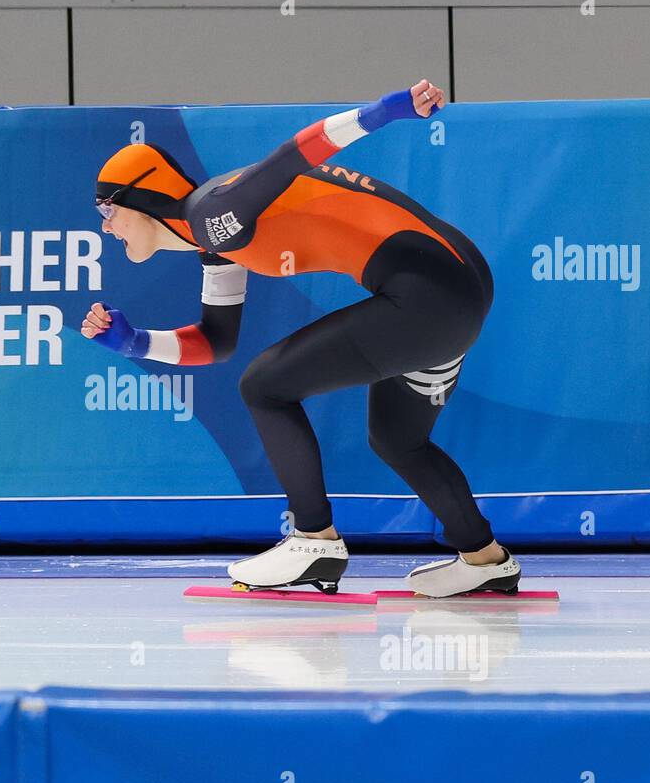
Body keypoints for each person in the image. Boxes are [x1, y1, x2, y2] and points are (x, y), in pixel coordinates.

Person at [81, 79, 521, 598]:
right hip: (457, 288)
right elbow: (214, 342)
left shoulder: (213, 216)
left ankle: (313, 540)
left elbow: (294, 155)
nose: (107, 228)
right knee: (398, 439)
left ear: (143, 198)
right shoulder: (216, 244)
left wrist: (385, 111)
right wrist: (135, 344)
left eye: (107, 211)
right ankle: (485, 559)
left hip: (432, 293)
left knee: (265, 386)